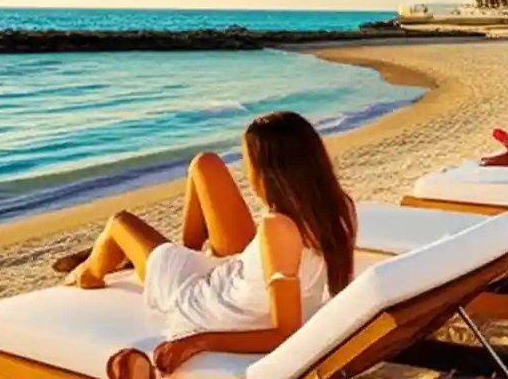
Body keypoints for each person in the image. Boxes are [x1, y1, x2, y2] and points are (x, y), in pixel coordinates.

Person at [63, 111, 356, 377]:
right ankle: (163, 254)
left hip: (204, 302)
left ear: (267, 170)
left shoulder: (278, 227)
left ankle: (86, 273)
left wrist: (196, 343)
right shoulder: (339, 208)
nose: (247, 172)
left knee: (120, 223)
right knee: (205, 164)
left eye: (248, 162)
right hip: (236, 276)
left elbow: (284, 332)